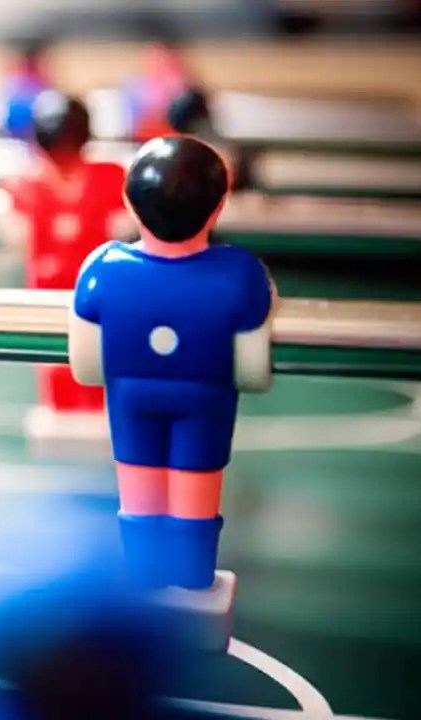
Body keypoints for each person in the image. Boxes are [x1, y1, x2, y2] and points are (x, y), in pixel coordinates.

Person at [69, 136, 274, 644]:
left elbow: (86, 366)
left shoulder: (103, 270)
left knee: (139, 494)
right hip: (205, 404)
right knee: (194, 494)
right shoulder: (241, 275)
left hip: (132, 402)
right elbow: (253, 369)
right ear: (220, 203)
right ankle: (192, 578)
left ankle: (144, 577)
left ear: (130, 202)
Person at [0, 91, 127, 435]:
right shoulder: (25, 185)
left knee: (96, 377)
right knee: (60, 378)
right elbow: (17, 238)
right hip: (50, 304)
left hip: (98, 303)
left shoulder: (110, 178)